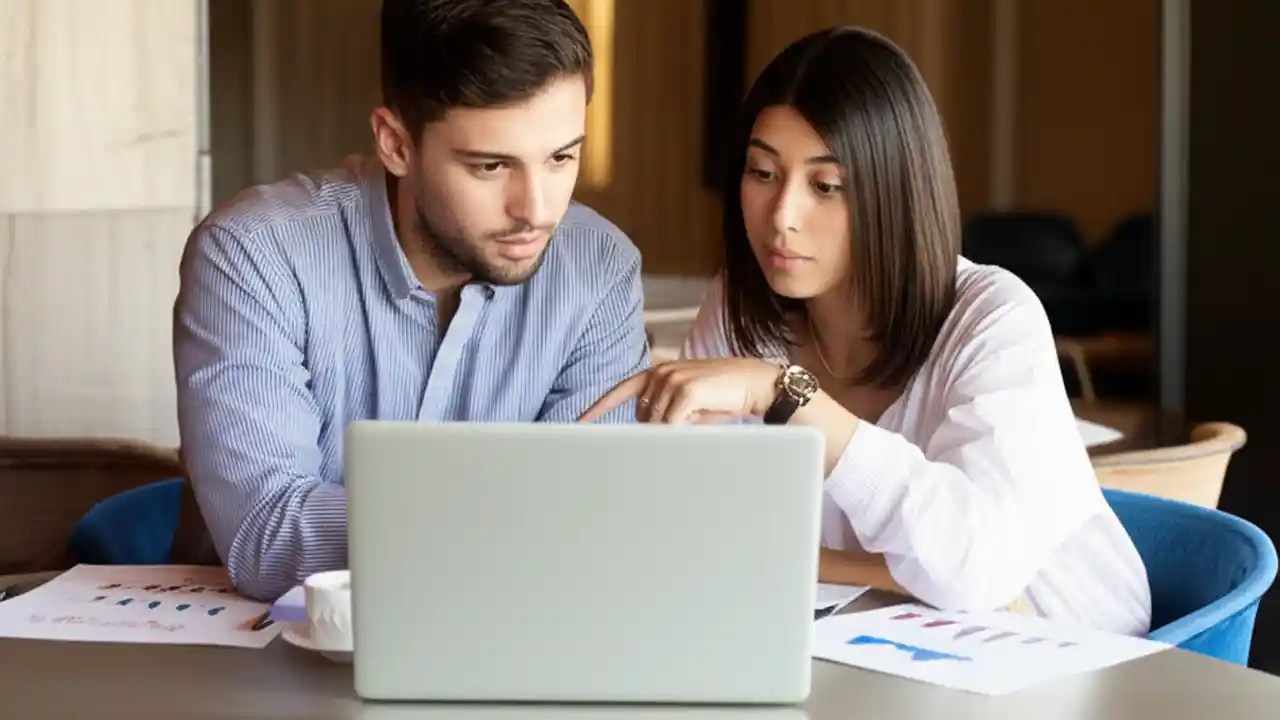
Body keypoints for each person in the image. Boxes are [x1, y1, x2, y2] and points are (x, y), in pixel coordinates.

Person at [581, 27, 1152, 635]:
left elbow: (976, 572)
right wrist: (863, 568)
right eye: (762, 172)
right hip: (866, 646)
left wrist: (784, 393)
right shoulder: (742, 306)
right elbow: (703, 533)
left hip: (1066, 653)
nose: (782, 218)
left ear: (895, 193)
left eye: (825, 186)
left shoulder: (994, 316)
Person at [174, 0, 649, 601]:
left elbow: (590, 522)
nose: (537, 209)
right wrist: (522, 522)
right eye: (491, 166)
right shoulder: (255, 252)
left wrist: (519, 526)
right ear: (396, 143)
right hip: (259, 662)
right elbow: (267, 539)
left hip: (509, 644)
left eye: (561, 157)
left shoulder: (599, 267)